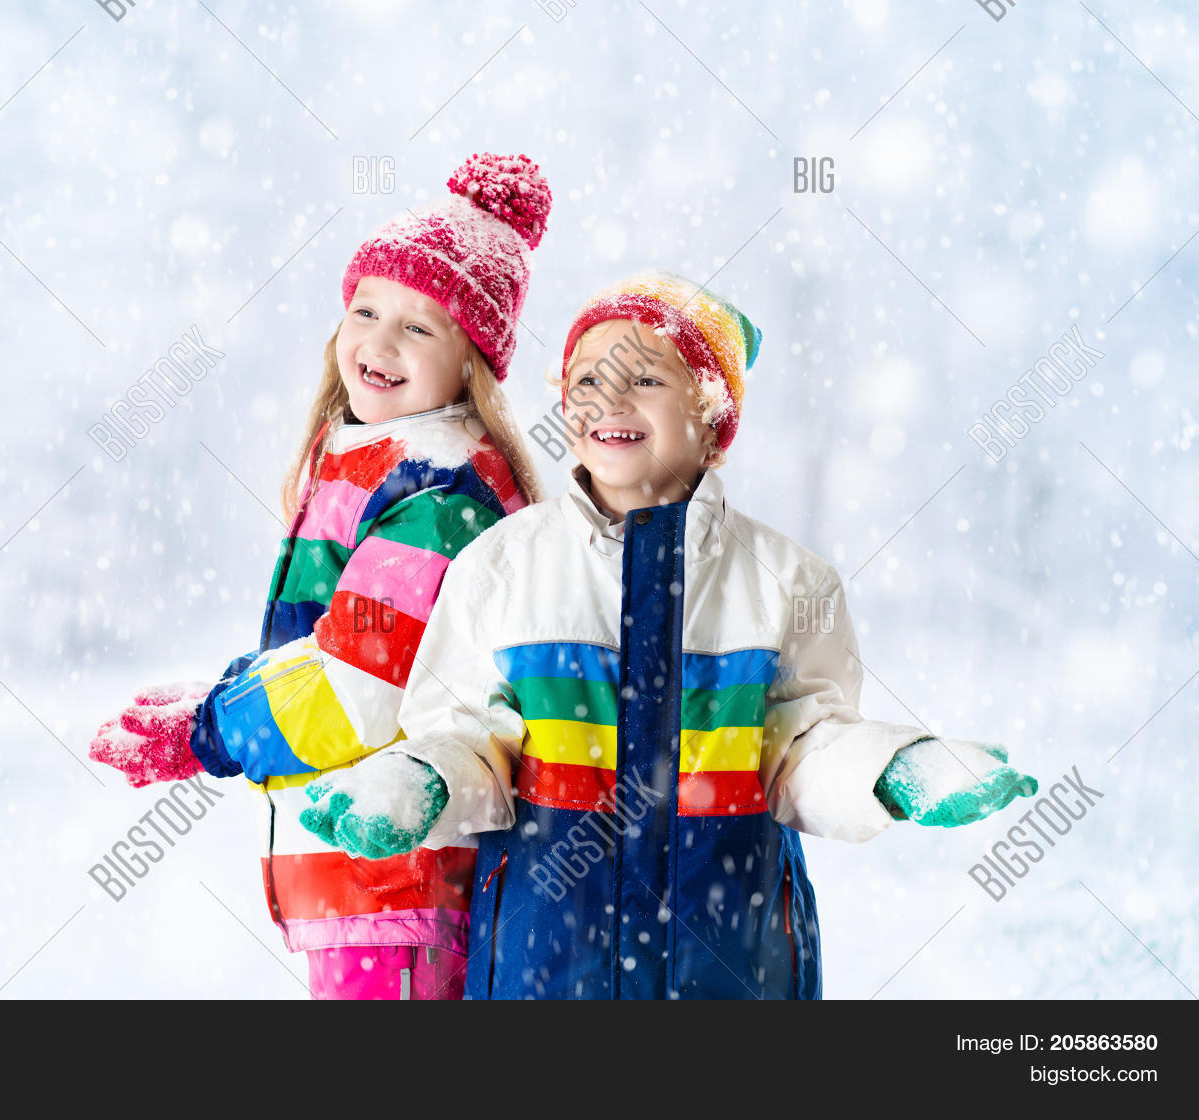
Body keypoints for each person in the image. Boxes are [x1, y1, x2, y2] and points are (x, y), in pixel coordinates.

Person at [300, 270, 1038, 999]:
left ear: (712, 418)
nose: (608, 398)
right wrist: (420, 780)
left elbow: (805, 747)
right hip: (547, 967)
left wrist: (894, 768)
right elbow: (466, 734)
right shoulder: (502, 567)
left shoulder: (787, 582)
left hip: (731, 967)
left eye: (646, 378)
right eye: (586, 379)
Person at [87, 153, 552, 999]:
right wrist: (227, 700)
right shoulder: (373, 463)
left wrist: (212, 728)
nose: (378, 340)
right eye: (366, 309)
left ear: (473, 362)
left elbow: (354, 685)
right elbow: (326, 648)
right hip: (367, 884)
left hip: (406, 878)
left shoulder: (440, 491)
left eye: (420, 326)